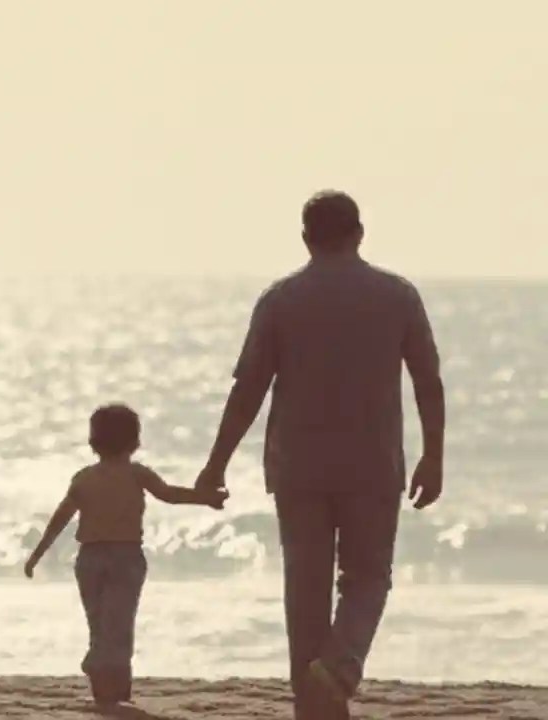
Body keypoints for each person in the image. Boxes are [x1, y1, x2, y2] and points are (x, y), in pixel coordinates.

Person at [195, 191, 446, 719]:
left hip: (298, 465)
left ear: (306, 238)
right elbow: (427, 380)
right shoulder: (397, 295)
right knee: (368, 578)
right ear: (359, 232)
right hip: (373, 464)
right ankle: (339, 668)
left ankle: (311, 696)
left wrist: (216, 463)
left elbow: (249, 390)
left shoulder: (281, 299)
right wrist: (434, 454)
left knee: (304, 584)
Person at [24, 403, 227, 710]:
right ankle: (118, 694)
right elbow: (170, 495)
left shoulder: (83, 478)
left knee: (99, 627)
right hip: (125, 558)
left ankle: (102, 691)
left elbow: (60, 519)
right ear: (135, 441)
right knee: (120, 628)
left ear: (93, 442)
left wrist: (37, 555)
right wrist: (206, 498)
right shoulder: (136, 474)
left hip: (89, 560)